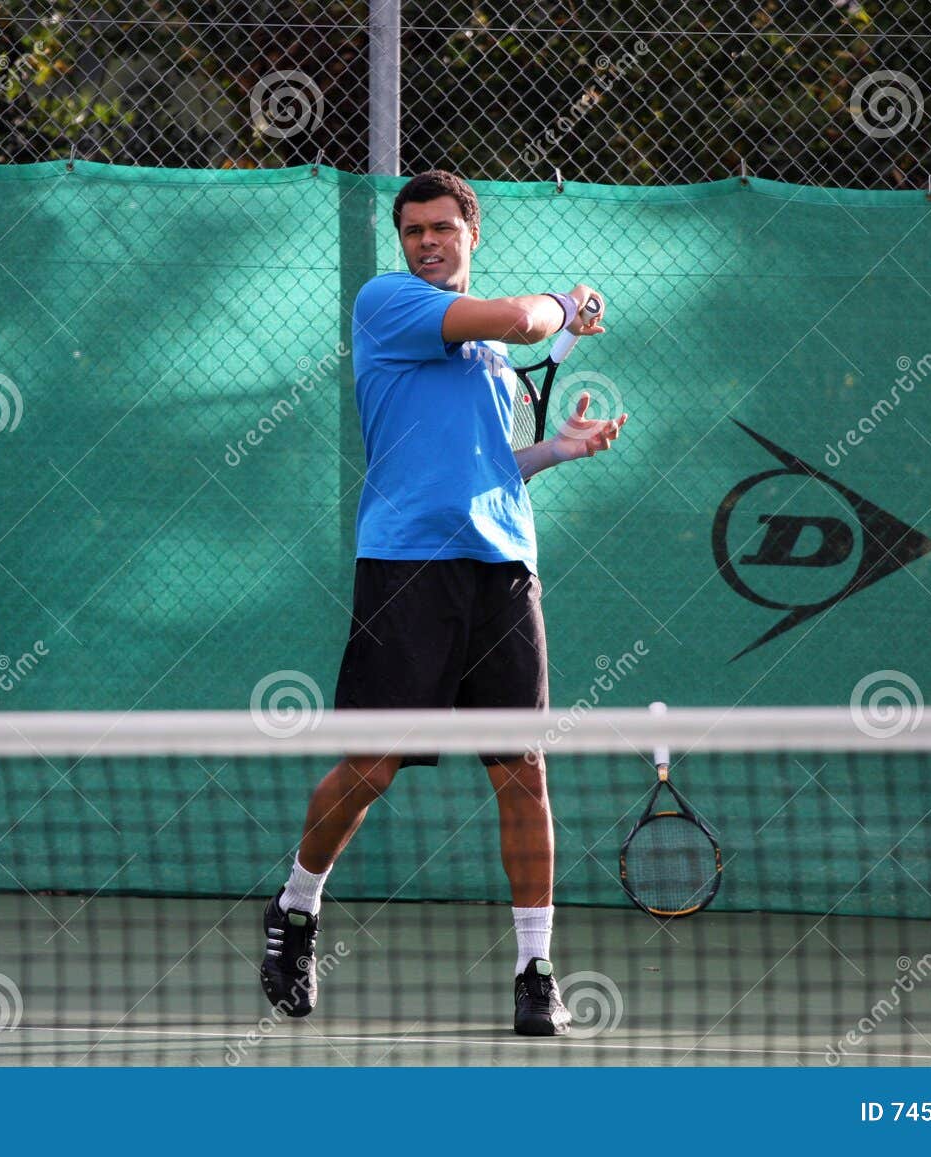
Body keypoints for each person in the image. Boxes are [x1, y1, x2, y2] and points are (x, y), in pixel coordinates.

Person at [261, 170, 627, 1036]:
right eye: (414, 229)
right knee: (370, 768)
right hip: (406, 568)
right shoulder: (389, 303)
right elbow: (518, 317)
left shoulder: (494, 363)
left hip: (502, 566)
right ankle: (297, 907)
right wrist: (560, 304)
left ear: (472, 234)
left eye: (442, 228)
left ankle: (536, 970)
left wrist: (556, 453)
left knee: (524, 772)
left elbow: (490, 463)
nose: (427, 241)